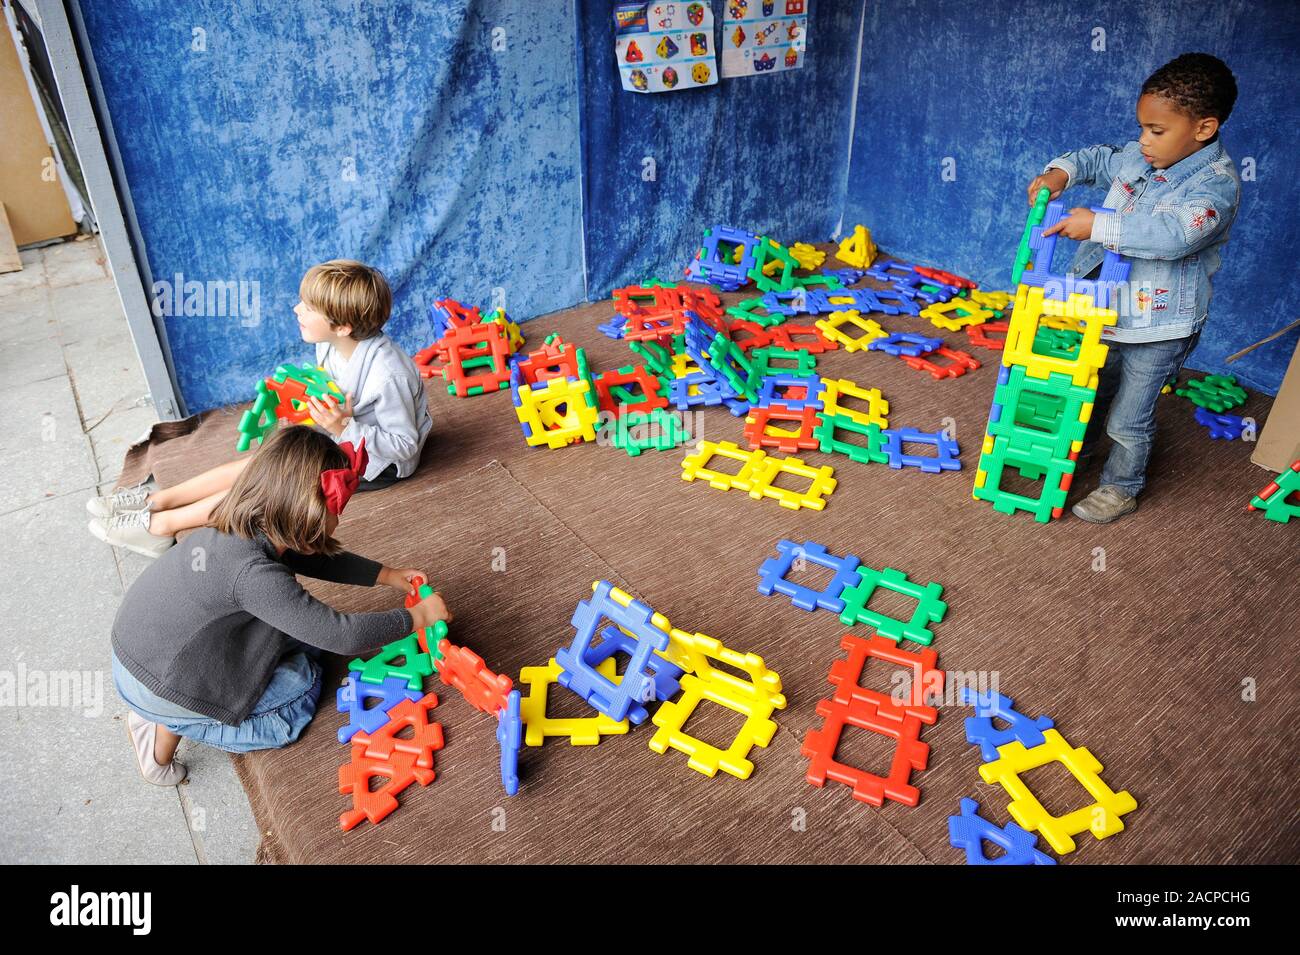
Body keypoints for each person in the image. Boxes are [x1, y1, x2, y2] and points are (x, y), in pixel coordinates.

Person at [110, 426, 451, 785]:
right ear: (306, 514)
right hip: (159, 679)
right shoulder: (252, 574)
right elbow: (342, 636)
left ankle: (162, 706)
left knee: (291, 638)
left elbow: (313, 556)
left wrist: (388, 575)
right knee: (300, 689)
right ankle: (160, 735)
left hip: (142, 653)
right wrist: (419, 616)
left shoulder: (249, 526)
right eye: (336, 513)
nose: (340, 521)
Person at [89, 259, 433, 555]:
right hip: (339, 434)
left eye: (309, 308)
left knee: (275, 482)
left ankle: (160, 528)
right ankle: (156, 502)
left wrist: (343, 428)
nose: (296, 309)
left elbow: (405, 446)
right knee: (265, 458)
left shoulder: (389, 375)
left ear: (342, 327)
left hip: (378, 462)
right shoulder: (330, 345)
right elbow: (330, 386)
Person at [1025, 53, 1240, 523]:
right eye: (1142, 128)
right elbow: (1098, 157)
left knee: (1129, 416)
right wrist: (1062, 172)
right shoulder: (1142, 154)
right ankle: (1075, 454)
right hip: (1106, 311)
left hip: (1159, 325)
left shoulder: (1215, 186)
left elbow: (1176, 235)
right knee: (1093, 389)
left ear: (1203, 129)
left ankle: (1121, 486)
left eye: (1156, 131)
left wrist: (1100, 225)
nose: (1143, 141)